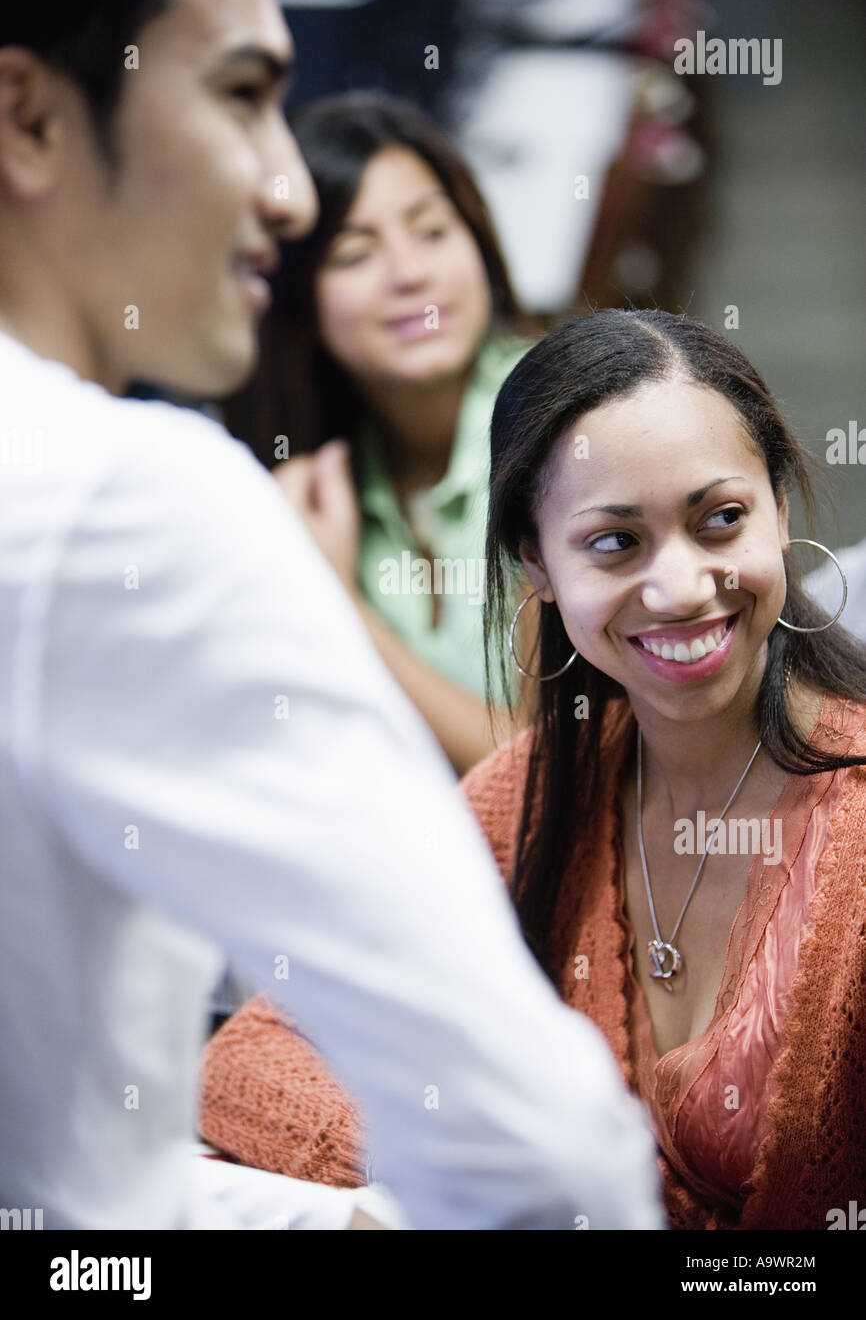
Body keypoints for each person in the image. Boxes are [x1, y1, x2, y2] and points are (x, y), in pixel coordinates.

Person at [0, 0, 663, 1231]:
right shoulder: (132, 492)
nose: (285, 191)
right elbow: (541, 1155)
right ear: (28, 117)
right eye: (242, 95)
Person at [198, 309, 866, 1230]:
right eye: (614, 542)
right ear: (535, 566)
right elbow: (253, 1053)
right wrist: (490, 1186)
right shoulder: (542, 787)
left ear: (778, 513)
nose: (679, 588)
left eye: (721, 521)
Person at [227, 91, 539, 776]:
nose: (409, 274)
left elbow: (533, 770)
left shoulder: (565, 432)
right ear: (298, 300)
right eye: (354, 253)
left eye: (432, 231)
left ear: (480, 247)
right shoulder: (309, 484)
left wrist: (335, 608)